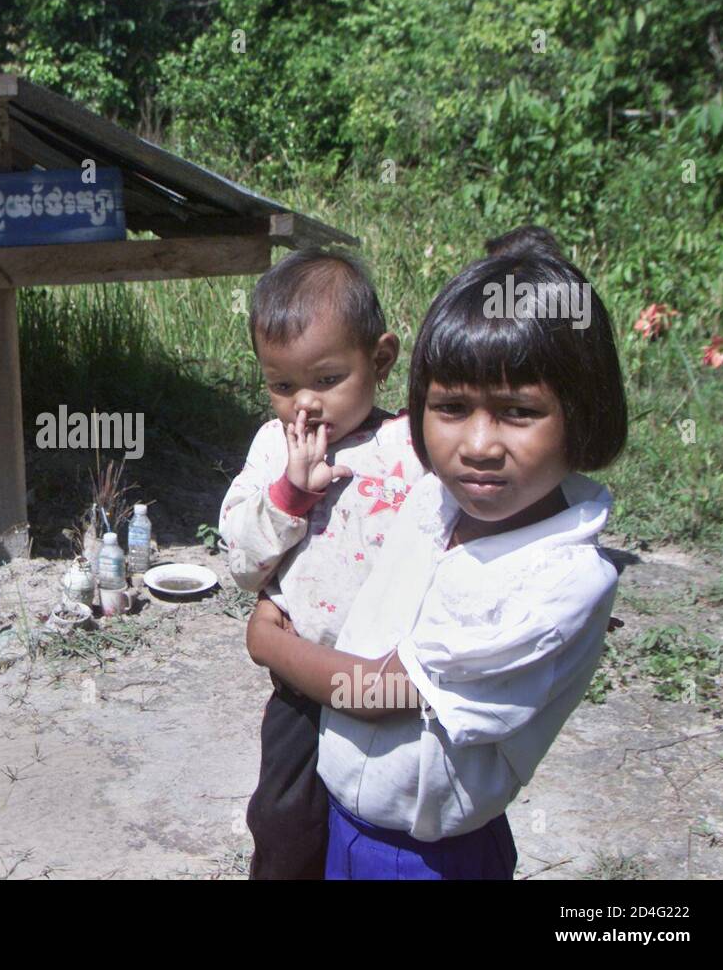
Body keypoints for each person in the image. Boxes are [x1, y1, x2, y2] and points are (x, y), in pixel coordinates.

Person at [245, 248, 628, 878]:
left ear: (582, 414)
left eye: (519, 411)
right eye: (450, 408)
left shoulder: (560, 581)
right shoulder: (433, 500)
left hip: (427, 859)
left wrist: (268, 643)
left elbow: (381, 692)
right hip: (345, 821)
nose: (478, 446)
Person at [218, 247, 426, 878]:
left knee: (377, 826)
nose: (303, 405)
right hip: (302, 689)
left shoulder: (412, 447)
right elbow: (243, 563)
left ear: (381, 359)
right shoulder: (270, 449)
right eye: (282, 386)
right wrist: (290, 495)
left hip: (385, 682)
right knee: (284, 825)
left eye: (327, 379)